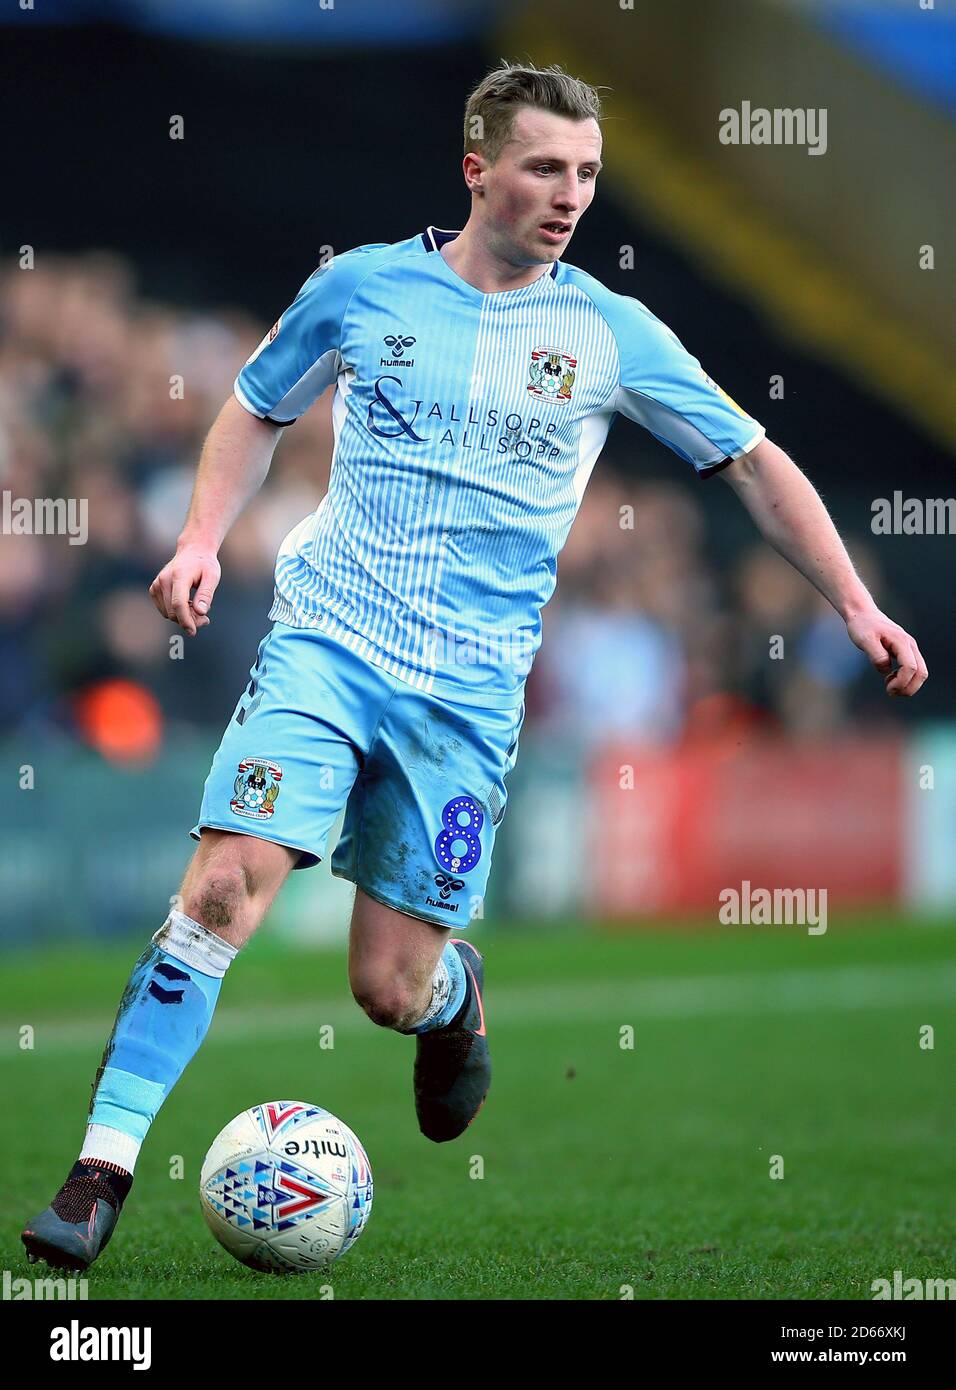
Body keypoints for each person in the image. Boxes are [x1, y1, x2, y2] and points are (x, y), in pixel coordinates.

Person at [22, 59, 927, 1271]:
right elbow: (253, 407)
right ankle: (98, 1174)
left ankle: (457, 996)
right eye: (545, 167)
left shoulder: (609, 333)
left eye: (589, 174)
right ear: (476, 168)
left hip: (465, 699)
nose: (569, 195)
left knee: (389, 988)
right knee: (226, 887)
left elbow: (755, 465)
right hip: (324, 645)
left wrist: (856, 603)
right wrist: (197, 542)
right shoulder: (360, 288)